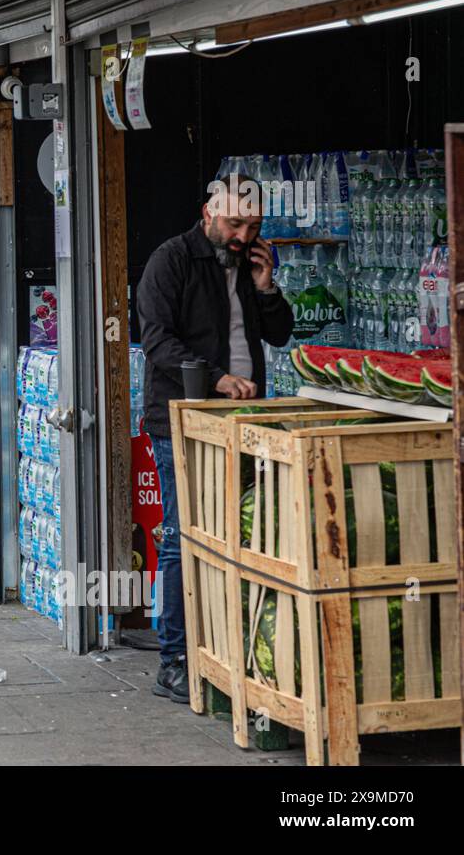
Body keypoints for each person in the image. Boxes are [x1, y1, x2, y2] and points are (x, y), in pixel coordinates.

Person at [136, 173, 294, 703]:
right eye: (233, 222)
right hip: (180, 421)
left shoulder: (248, 265)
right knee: (184, 535)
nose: (242, 235)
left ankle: (229, 651)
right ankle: (174, 660)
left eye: (252, 225)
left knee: (240, 534)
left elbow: (278, 334)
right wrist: (214, 377)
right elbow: (156, 340)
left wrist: (267, 287)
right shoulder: (172, 260)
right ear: (209, 213)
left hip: (244, 421)